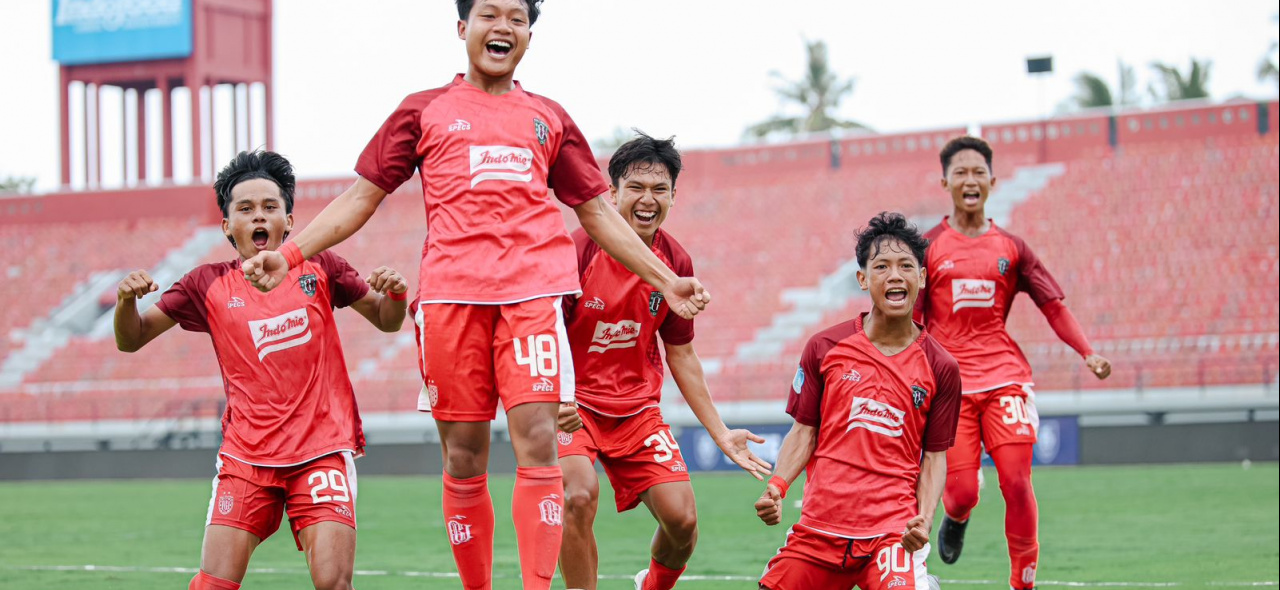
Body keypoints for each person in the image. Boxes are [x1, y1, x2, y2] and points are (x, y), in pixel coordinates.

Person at [239, 2, 710, 588]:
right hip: (450, 302)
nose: (503, 27)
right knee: (463, 457)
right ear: (464, 28)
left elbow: (594, 211)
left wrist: (666, 279)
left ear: (529, 35)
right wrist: (289, 255)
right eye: (490, 14)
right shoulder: (422, 110)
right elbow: (361, 198)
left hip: (532, 299)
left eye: (517, 17)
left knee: (540, 443)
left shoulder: (549, 117)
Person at [114, 150, 409, 590]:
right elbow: (131, 338)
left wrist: (396, 295)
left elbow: (386, 320)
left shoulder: (322, 265)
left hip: (321, 450)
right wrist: (125, 302)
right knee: (213, 584)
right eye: (246, 208)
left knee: (334, 584)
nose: (259, 216)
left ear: (288, 221)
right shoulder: (204, 283)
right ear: (227, 225)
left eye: (270, 207)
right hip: (246, 458)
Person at [553, 134, 771, 590]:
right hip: (573, 408)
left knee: (683, 522)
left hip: (637, 413)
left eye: (660, 189)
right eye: (636, 187)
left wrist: (720, 432)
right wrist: (553, 397)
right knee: (577, 496)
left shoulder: (675, 261)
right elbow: (546, 331)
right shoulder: (576, 251)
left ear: (673, 196)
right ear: (612, 192)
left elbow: (682, 353)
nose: (648, 199)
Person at [920, 136, 1112, 589]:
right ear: (945, 183)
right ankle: (957, 516)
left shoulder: (1013, 248)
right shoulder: (926, 247)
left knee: (1017, 481)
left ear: (992, 181)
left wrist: (1087, 352)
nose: (970, 180)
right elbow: (910, 319)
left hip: (1005, 378)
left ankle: (1022, 583)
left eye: (978, 172)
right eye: (961, 172)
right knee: (961, 492)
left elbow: (1053, 306)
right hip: (950, 387)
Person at [754, 212, 959, 590]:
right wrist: (777, 486)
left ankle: (918, 580)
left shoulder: (940, 366)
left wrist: (925, 519)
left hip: (891, 535)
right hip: (819, 530)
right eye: (882, 266)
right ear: (863, 279)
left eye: (905, 266)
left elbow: (934, 457)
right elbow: (804, 432)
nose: (894, 275)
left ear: (922, 277)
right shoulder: (824, 347)